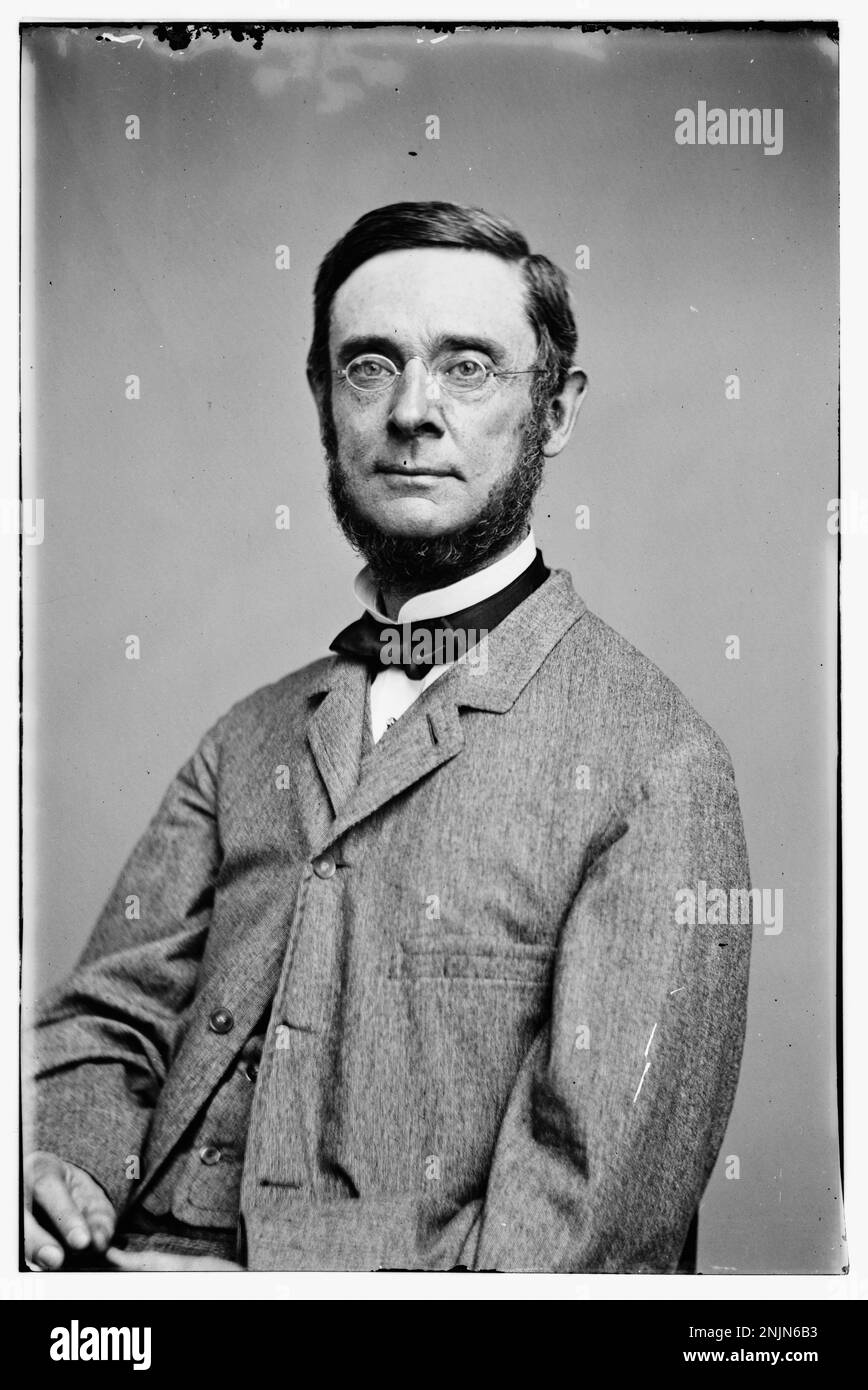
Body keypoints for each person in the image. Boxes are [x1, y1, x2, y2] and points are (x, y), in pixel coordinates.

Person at [24, 200, 752, 1273]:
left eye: (468, 367)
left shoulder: (657, 765)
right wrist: (64, 1165)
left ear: (553, 413)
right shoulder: (253, 733)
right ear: (324, 403)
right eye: (370, 366)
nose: (412, 411)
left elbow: (583, 1235)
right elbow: (105, 1014)